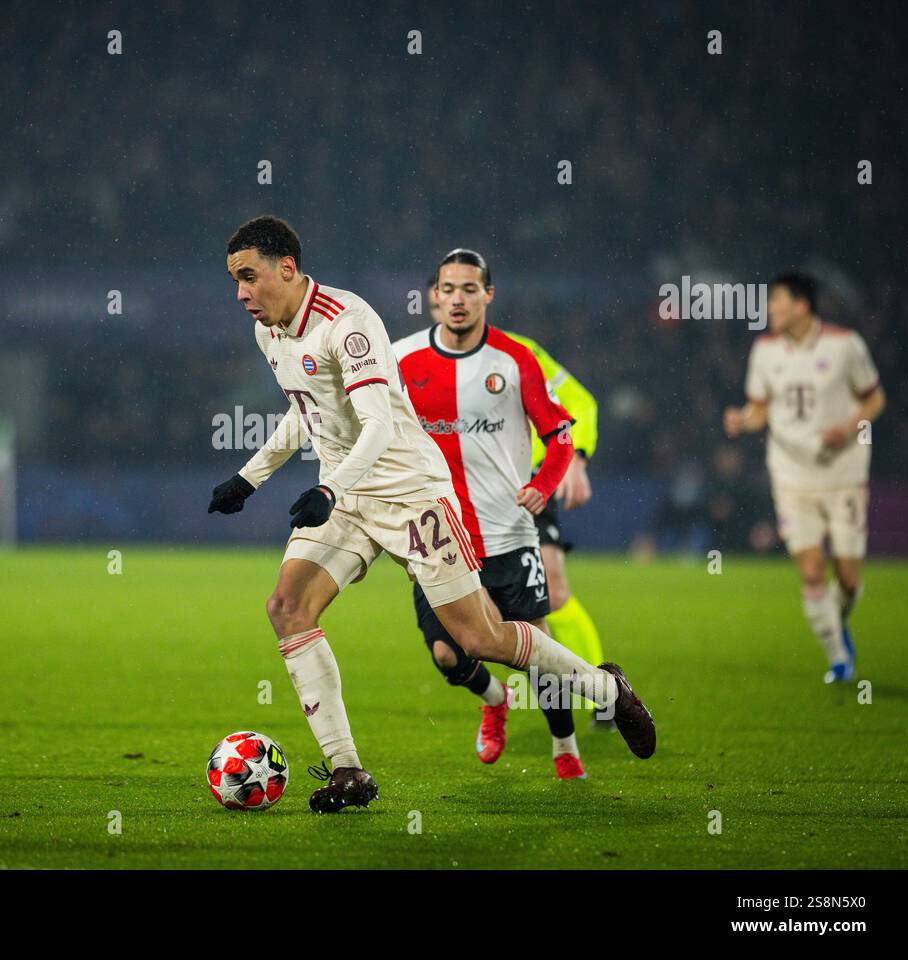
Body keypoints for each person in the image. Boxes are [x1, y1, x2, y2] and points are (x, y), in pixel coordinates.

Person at [208, 217, 655, 813]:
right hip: (349, 498)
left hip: (410, 491)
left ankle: (607, 688)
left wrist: (329, 489)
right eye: (235, 281)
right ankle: (348, 771)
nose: (241, 292)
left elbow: (379, 426)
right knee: (287, 607)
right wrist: (250, 477)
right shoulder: (269, 332)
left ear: (286, 268)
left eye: (248, 277)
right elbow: (305, 411)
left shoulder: (348, 322)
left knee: (480, 638)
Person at [394, 249, 599, 779]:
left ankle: (565, 744)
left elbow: (560, 434)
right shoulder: (401, 359)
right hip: (439, 537)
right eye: (448, 289)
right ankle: (494, 698)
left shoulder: (516, 359)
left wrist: (543, 485)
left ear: (488, 294)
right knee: (447, 654)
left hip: (508, 531)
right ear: (434, 296)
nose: (458, 299)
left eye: (469, 289)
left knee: (535, 646)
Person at [724, 272, 885, 682]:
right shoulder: (764, 350)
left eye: (778, 300)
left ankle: (836, 617)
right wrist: (743, 420)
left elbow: (875, 398)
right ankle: (838, 658)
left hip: (844, 473)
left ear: (802, 305)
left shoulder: (845, 344)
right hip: (791, 475)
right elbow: (760, 410)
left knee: (848, 578)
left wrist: (849, 427)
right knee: (812, 570)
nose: (770, 308)